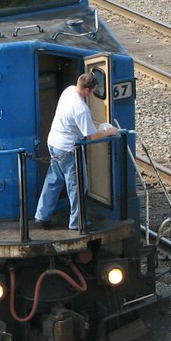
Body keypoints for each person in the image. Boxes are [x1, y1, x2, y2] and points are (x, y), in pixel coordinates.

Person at [34, 72, 116, 231]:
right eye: (93, 91)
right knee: (77, 185)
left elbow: (82, 125)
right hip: (68, 149)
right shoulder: (81, 109)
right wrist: (111, 131)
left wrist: (97, 127)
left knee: (54, 179)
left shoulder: (68, 91)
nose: (92, 94)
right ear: (87, 90)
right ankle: (77, 222)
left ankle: (41, 215)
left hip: (53, 143)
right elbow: (91, 136)